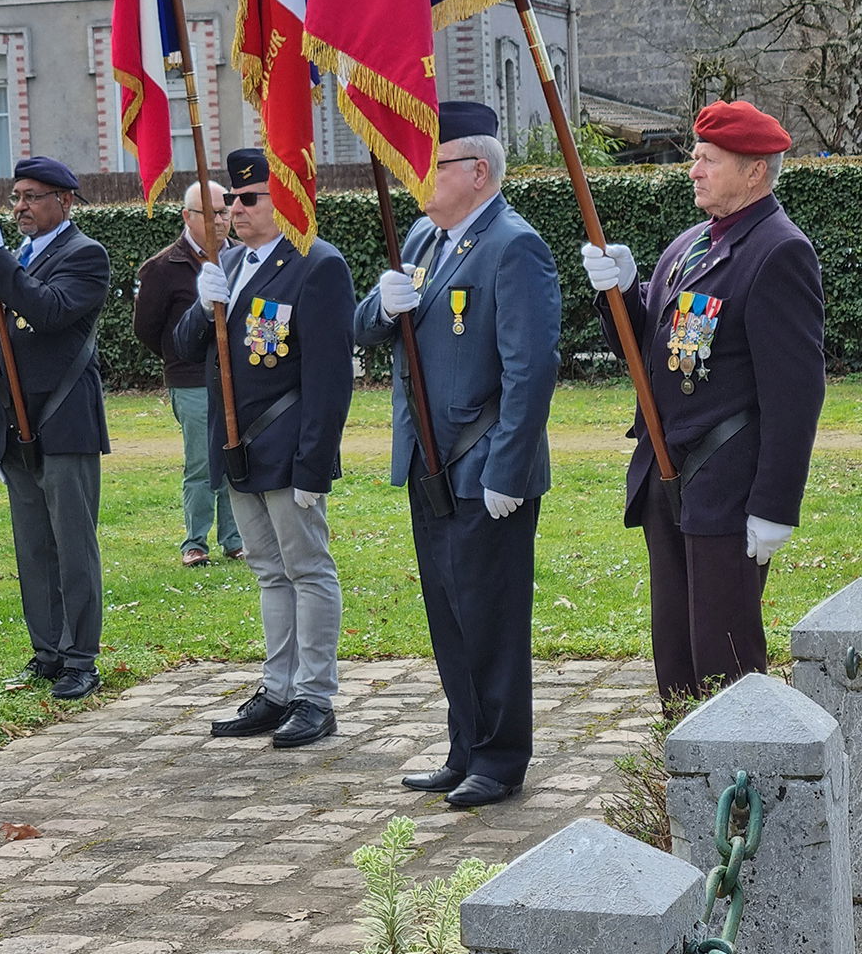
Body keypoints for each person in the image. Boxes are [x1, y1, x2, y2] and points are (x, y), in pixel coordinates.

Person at [580, 99, 825, 704]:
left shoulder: (778, 251)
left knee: (725, 659)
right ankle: (684, 760)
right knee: (676, 652)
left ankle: (744, 763)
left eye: (709, 159)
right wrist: (621, 295)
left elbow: (795, 395)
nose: (694, 170)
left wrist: (775, 505)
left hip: (727, 487)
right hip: (668, 477)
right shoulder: (691, 245)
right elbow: (648, 350)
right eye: (695, 157)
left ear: (754, 171)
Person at [355, 102, 561, 807]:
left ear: (478, 171)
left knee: (490, 619)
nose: (417, 177)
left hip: (484, 467)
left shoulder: (514, 245)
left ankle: (500, 759)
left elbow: (531, 370)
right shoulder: (422, 237)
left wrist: (509, 469)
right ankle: (465, 747)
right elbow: (366, 327)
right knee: (449, 616)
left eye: (431, 164)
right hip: (429, 462)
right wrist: (383, 306)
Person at [175, 149, 356, 747]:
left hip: (288, 447)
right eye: (232, 198)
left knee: (307, 570)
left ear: (284, 203)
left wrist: (314, 464)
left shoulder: (316, 264)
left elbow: (329, 378)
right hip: (238, 449)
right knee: (269, 574)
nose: (235, 208)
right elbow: (183, 346)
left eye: (250, 198)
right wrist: (203, 303)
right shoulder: (226, 262)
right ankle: (278, 690)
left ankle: (315, 696)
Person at [0, 156, 110, 702]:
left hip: (63, 421)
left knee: (73, 546)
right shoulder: (21, 257)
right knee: (33, 546)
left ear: (64, 201)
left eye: (32, 197)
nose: (20, 207)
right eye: (16, 197)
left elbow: (49, 312)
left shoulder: (84, 254)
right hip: (15, 424)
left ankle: (80, 657)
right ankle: (48, 650)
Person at [133, 180, 243, 567]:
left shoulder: (244, 258)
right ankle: (195, 542)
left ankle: (235, 538)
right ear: (187, 216)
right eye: (209, 213)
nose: (220, 220)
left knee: (236, 455)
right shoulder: (163, 268)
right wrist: (180, 356)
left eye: (224, 211)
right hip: (192, 380)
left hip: (238, 379)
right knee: (201, 461)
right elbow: (147, 328)